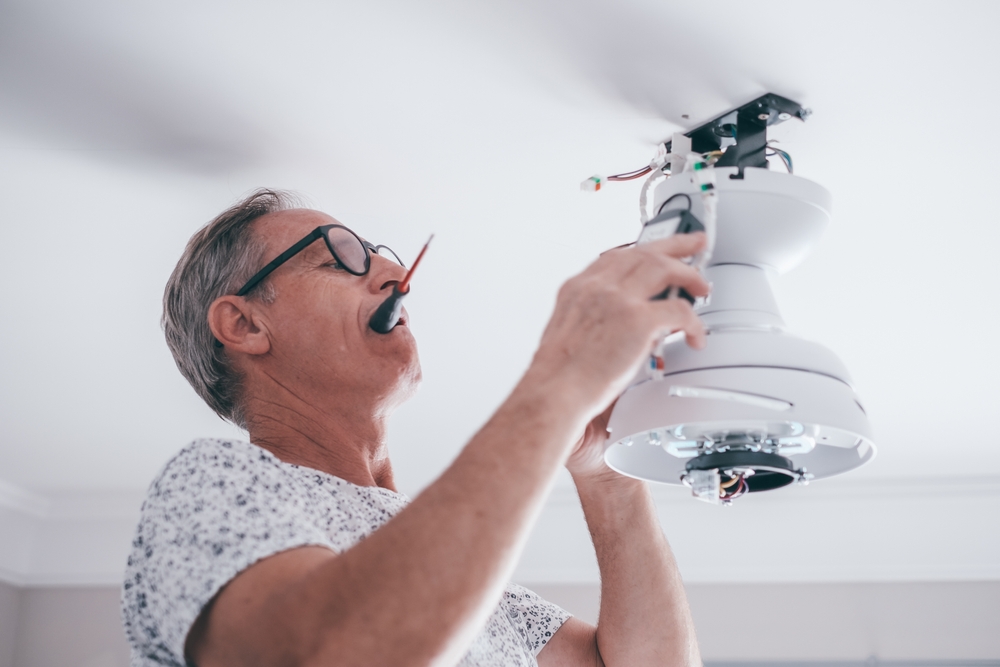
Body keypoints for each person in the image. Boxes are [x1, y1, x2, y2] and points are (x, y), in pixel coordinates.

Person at [121, 188, 710, 667]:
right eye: (337, 260)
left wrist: (603, 473)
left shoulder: (461, 576)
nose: (394, 272)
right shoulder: (211, 485)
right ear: (245, 324)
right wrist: (560, 380)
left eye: (381, 255)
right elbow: (331, 654)